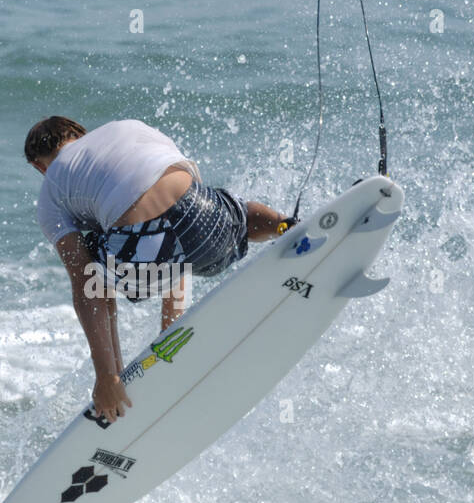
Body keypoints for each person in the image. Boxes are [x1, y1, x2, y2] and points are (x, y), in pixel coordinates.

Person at [26, 116, 294, 423]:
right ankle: (287, 226)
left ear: (39, 167)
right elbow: (178, 212)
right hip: (208, 230)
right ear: (81, 134)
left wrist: (105, 375)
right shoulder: (128, 128)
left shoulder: (51, 189)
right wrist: (170, 323)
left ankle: (116, 382)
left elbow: (86, 283)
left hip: (144, 260)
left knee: (90, 262)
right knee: (236, 210)